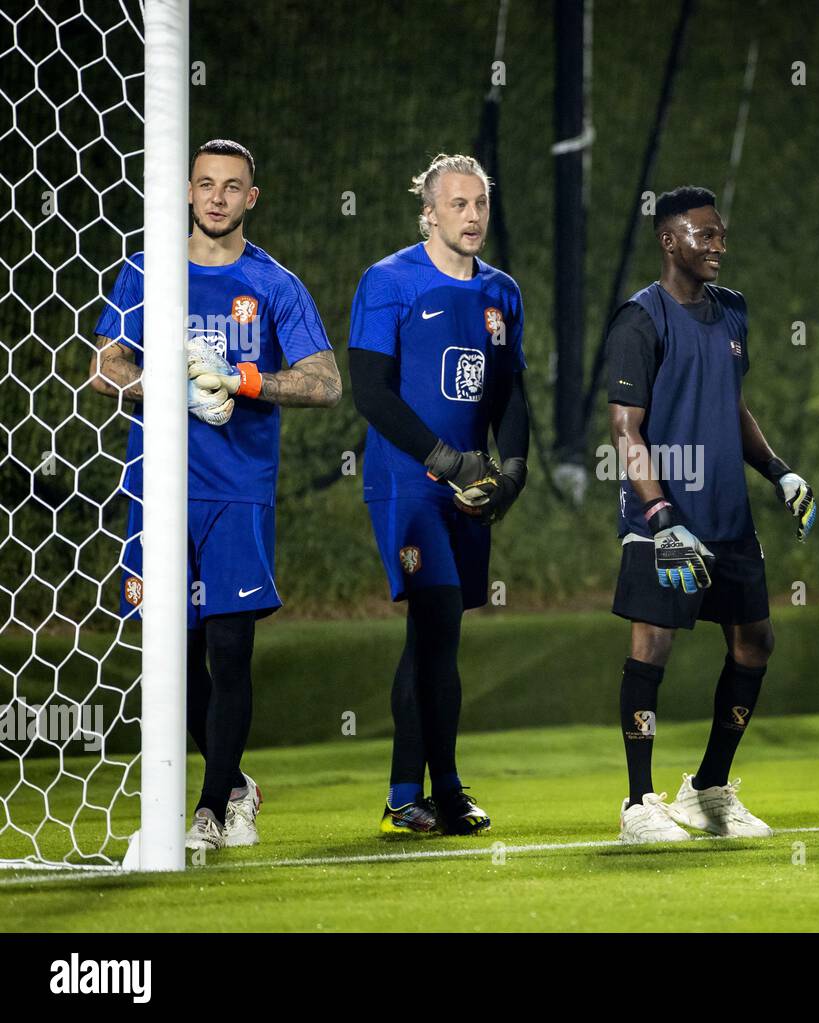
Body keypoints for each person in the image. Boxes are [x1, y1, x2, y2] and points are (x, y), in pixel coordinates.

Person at [90, 138, 341, 851]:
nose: (218, 197)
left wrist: (242, 381)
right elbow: (104, 367)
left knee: (229, 649)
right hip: (158, 491)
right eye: (205, 183)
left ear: (250, 198)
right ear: (188, 191)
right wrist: (173, 390)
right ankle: (234, 780)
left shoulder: (274, 284)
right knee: (173, 650)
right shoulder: (146, 274)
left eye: (233, 186)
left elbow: (323, 382)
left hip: (237, 493)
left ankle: (209, 806)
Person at [604, 186, 816, 844]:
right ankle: (639, 802)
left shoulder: (733, 314)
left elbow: (733, 404)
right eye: (704, 234)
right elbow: (624, 430)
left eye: (721, 234)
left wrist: (779, 470)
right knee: (653, 647)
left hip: (728, 518)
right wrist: (661, 514)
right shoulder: (639, 319)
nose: (718, 244)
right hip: (663, 520)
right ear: (670, 242)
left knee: (755, 642)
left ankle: (708, 789)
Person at [349, 153, 528, 838]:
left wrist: (508, 473)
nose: (473, 214)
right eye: (457, 203)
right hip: (407, 484)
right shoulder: (388, 281)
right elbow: (371, 391)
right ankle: (444, 788)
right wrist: (446, 460)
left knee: (433, 635)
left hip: (469, 489)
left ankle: (405, 791)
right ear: (428, 211)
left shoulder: (501, 292)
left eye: (480, 202)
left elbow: (511, 394)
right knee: (439, 620)